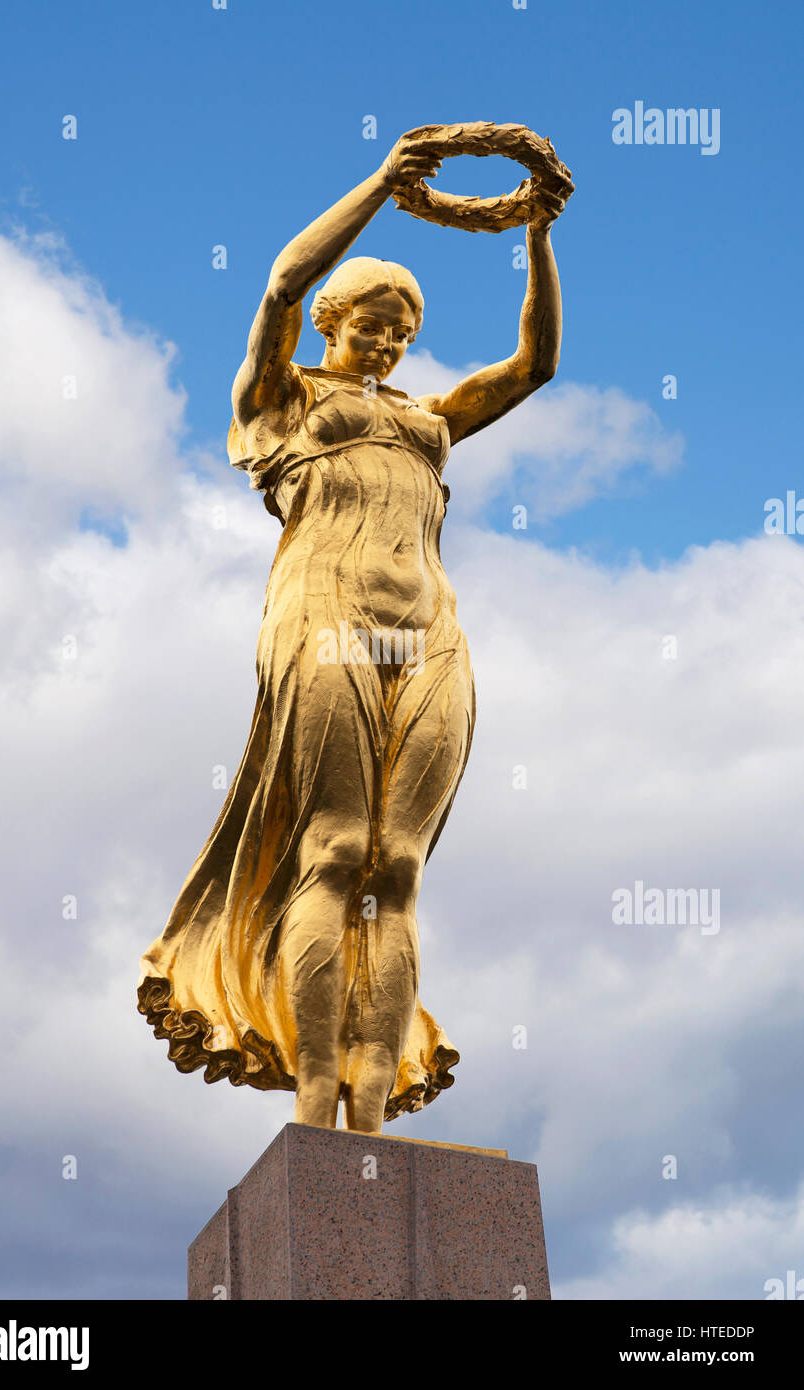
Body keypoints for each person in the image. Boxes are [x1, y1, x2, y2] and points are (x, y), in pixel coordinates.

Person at [138, 130, 564, 1133]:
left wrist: (534, 236)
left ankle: (370, 1113)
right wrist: (386, 181)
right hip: (321, 620)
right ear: (334, 324)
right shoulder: (282, 398)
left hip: (429, 634)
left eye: (399, 335)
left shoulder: (428, 418)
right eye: (370, 326)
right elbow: (283, 280)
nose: (384, 347)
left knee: (397, 868)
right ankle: (316, 1103)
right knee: (331, 852)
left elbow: (536, 365)